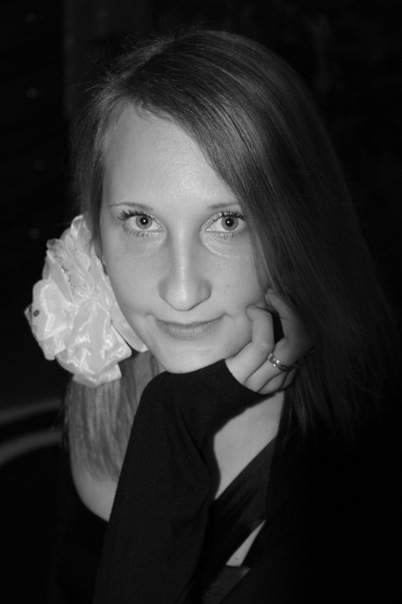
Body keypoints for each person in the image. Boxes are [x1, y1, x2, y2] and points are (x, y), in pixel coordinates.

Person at [26, 28, 399, 603]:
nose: (180, 292)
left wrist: (171, 423)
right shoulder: (102, 372)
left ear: (298, 224)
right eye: (141, 222)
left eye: (227, 222)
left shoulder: (352, 448)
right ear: (94, 230)